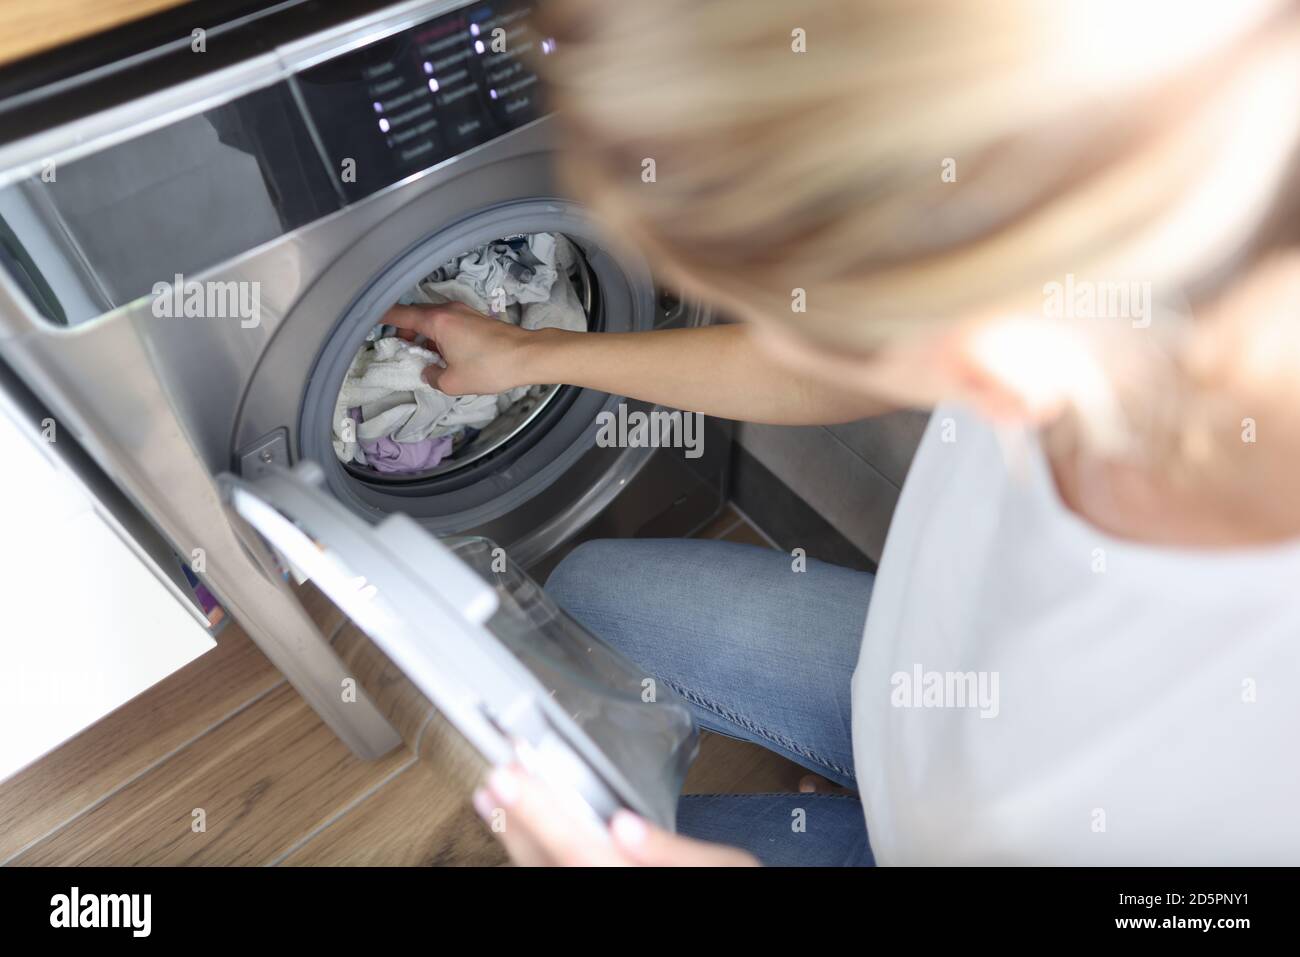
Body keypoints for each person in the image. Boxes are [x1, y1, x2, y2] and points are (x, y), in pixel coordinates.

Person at [386, 0, 1300, 865]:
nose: (776, 342)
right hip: (917, 703)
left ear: (987, 363)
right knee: (587, 590)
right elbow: (814, 370)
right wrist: (529, 354)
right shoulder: (1117, 193)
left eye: (796, 313)